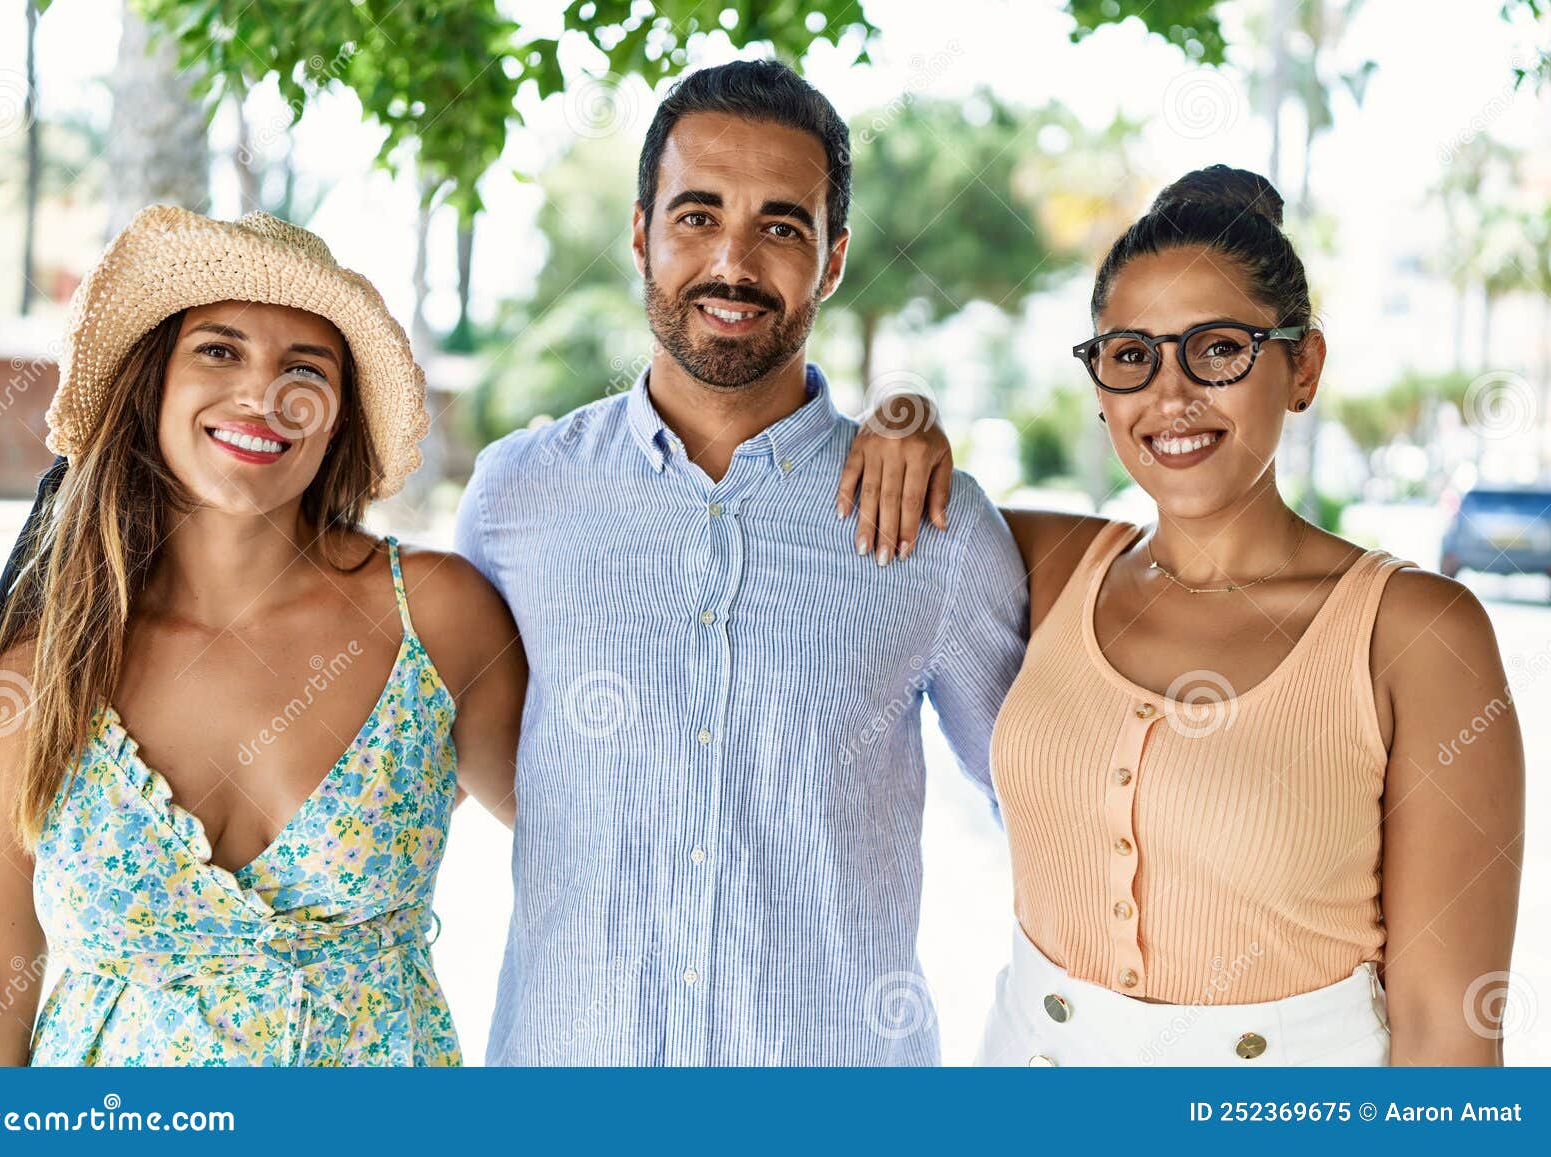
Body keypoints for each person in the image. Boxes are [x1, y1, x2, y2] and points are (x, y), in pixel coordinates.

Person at [454, 60, 1029, 1065]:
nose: (732, 259)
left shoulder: (936, 523)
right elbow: (462, 760)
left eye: (780, 225)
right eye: (696, 214)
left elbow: (1044, 807)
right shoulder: (515, 498)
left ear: (833, 259)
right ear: (640, 232)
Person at [0, 206, 527, 1065]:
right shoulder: (43, 668)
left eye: (306, 368)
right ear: (155, 385)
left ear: (337, 416)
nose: (265, 395)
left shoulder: (434, 618)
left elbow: (593, 848)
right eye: (219, 350)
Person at [985, 166, 1525, 1066]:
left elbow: (1448, 1036)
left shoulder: (1418, 635)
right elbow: (857, 498)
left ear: (1302, 366)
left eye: (1219, 348)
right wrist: (901, 431)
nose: (1171, 395)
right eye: (1132, 354)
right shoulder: (1050, 565)